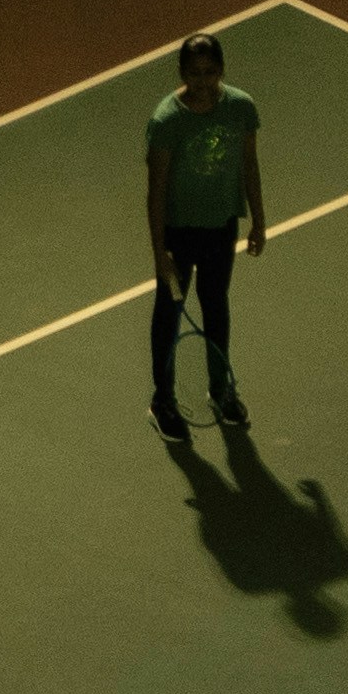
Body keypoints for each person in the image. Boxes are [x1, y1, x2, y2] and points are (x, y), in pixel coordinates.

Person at [145, 33, 264, 442]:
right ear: (182, 73)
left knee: (216, 308)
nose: (202, 81)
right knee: (168, 316)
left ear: (221, 70)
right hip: (178, 236)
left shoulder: (241, 108)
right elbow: (156, 190)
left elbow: (249, 164)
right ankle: (163, 401)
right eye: (194, 73)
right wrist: (160, 251)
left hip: (220, 229)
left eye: (210, 72)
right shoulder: (166, 121)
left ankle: (221, 389)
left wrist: (259, 220)